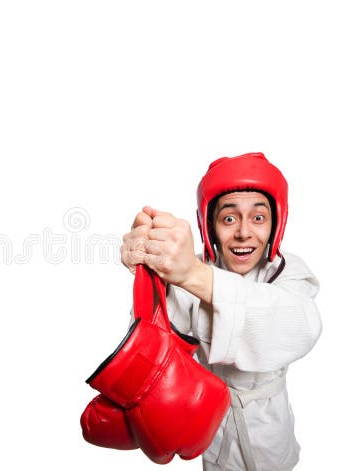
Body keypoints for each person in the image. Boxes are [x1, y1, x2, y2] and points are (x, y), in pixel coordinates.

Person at [119, 152, 321, 471]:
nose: (243, 233)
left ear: (276, 224)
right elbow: (155, 348)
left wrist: (192, 275)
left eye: (258, 217)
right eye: (229, 218)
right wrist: (150, 275)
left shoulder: (288, 272)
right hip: (214, 430)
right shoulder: (190, 266)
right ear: (209, 225)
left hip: (270, 433)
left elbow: (301, 327)